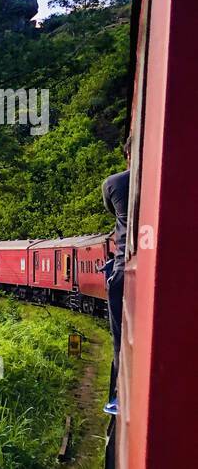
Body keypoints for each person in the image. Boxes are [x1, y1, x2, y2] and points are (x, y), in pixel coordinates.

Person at [102, 145, 130, 415]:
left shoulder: (115, 183)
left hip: (124, 269)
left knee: (119, 338)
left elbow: (112, 211)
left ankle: (119, 396)